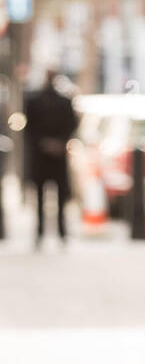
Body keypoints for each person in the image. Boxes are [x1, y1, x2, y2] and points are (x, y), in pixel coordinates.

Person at [23, 69, 78, 248]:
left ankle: (57, 233)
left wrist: (56, 143)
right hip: (45, 156)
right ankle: (43, 233)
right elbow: (29, 128)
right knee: (42, 196)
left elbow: (72, 124)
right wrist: (52, 143)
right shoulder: (35, 101)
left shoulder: (61, 101)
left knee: (57, 197)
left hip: (52, 156)